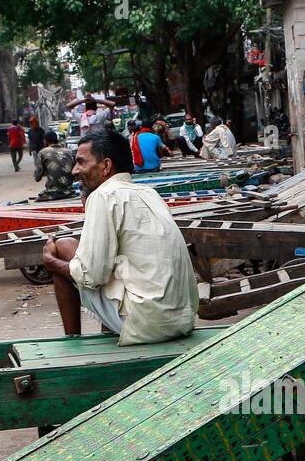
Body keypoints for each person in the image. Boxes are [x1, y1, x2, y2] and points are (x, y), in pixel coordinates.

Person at [40, 128, 198, 345]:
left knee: (63, 247)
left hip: (146, 324)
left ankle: (72, 342)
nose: (75, 170)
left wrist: (51, 263)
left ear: (106, 166)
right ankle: (107, 331)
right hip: (182, 320)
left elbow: (92, 275)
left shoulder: (103, 196)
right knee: (98, 257)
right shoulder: (150, 193)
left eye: (81, 162)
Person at [35, 129, 76, 201]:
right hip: (69, 192)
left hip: (52, 193)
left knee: (36, 201)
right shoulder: (68, 152)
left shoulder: (43, 152)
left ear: (45, 141)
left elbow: (37, 177)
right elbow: (76, 173)